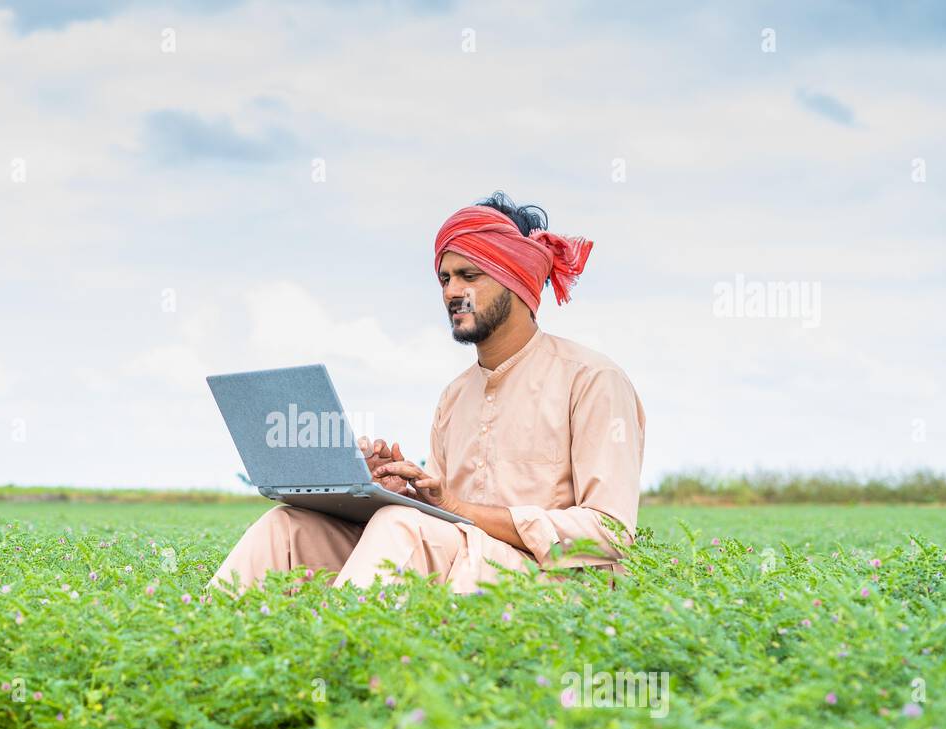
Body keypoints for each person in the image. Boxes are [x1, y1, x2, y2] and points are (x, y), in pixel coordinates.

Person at [210, 190, 646, 594]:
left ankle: (336, 660)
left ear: (516, 279)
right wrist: (396, 489)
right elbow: (442, 516)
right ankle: (199, 651)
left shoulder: (592, 380)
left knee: (402, 526)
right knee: (288, 526)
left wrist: (452, 510)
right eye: (444, 279)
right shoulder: (454, 397)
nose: (452, 292)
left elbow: (609, 534)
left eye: (468, 275)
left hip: (546, 585)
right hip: (456, 563)